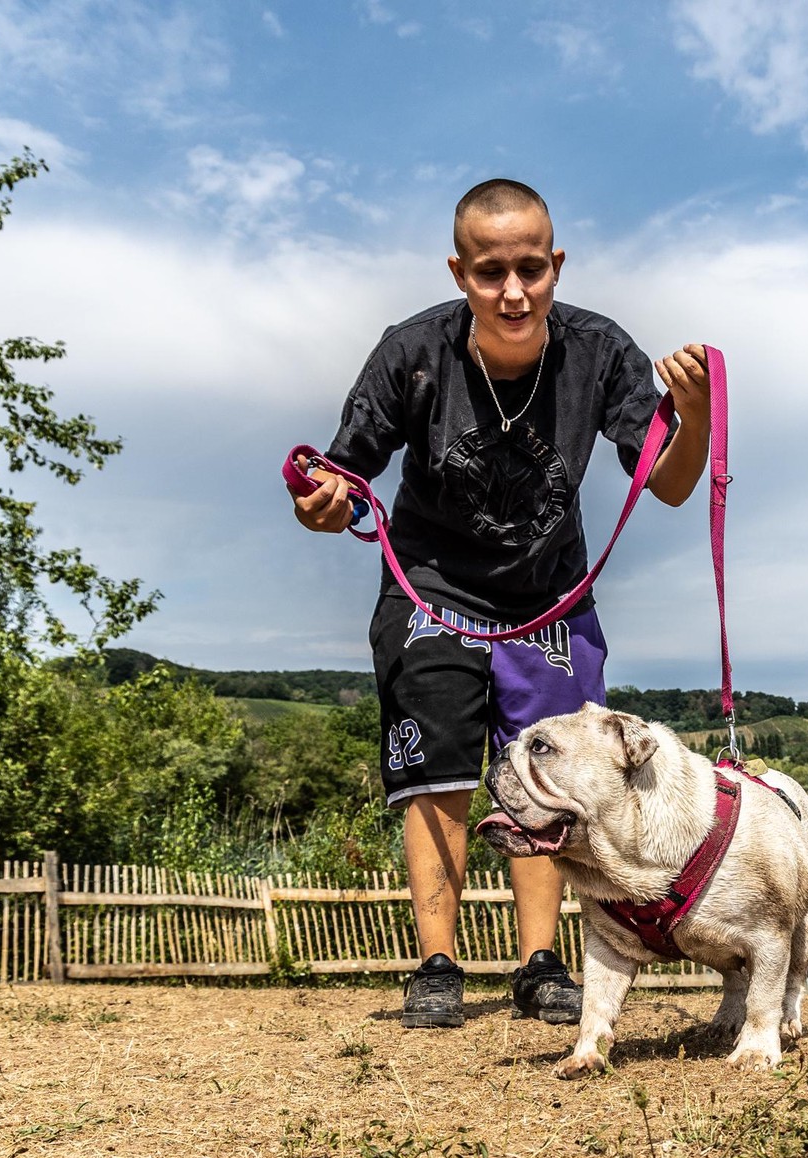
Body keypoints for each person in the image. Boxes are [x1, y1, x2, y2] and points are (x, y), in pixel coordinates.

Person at [291, 179, 713, 1029]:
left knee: (550, 772)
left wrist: (696, 413)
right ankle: (436, 965)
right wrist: (321, 503)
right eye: (490, 273)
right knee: (437, 771)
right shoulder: (411, 352)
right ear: (460, 273)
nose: (513, 291)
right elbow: (336, 477)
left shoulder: (601, 353)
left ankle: (541, 964)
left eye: (531, 269)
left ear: (557, 264)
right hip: (432, 586)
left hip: (547, 592)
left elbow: (669, 484)